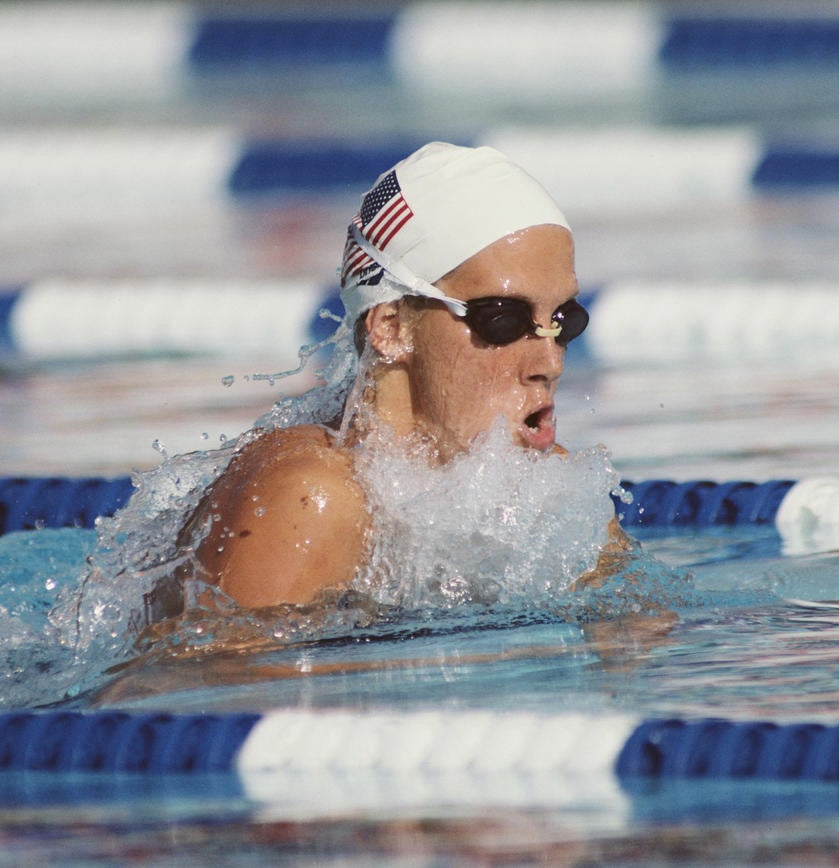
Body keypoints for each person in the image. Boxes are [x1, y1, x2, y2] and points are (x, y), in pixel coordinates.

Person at [178, 141, 630, 611]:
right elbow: (202, 676)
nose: (551, 362)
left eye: (563, 320)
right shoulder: (311, 498)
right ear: (391, 329)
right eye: (503, 320)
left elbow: (640, 638)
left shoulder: (551, 489)